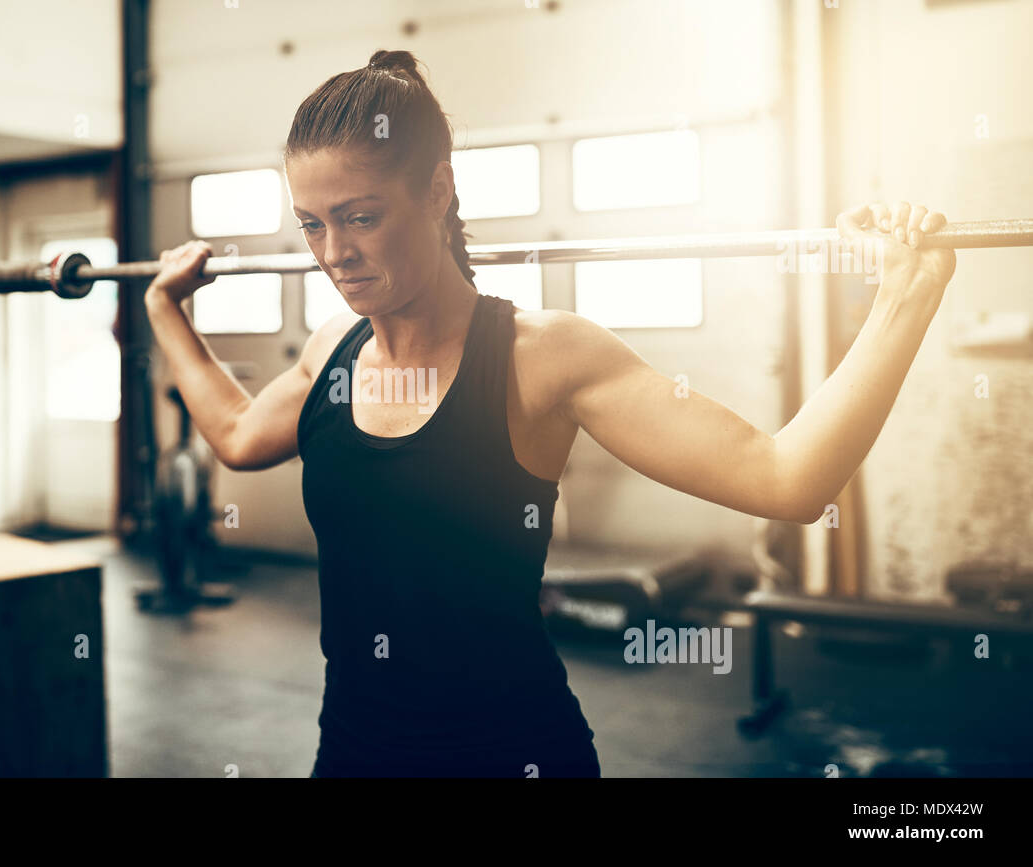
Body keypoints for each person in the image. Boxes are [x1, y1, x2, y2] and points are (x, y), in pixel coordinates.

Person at [141, 49, 957, 778]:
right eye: (311, 224)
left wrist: (905, 297)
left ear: (436, 190)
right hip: (353, 749)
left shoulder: (543, 357)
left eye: (361, 217)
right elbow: (242, 437)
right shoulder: (333, 352)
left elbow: (786, 479)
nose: (333, 253)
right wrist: (165, 311)